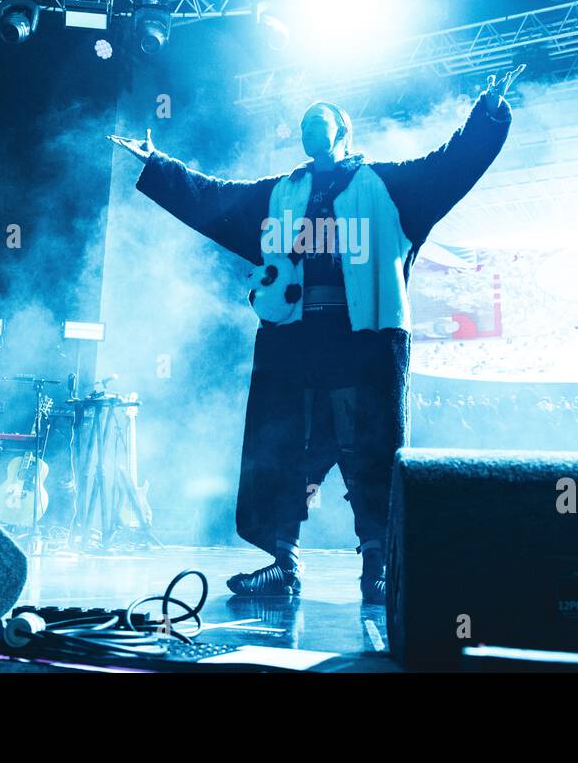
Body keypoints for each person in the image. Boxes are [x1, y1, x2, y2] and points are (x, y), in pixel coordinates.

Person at [110, 71, 518, 603]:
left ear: (343, 130)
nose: (308, 127)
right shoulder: (282, 193)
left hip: (363, 341)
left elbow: (451, 164)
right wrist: (160, 166)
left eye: (318, 119)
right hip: (294, 342)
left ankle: (377, 562)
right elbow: (214, 199)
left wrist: (487, 113)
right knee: (283, 450)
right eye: (303, 122)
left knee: (368, 448)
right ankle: (283, 562)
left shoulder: (388, 187)